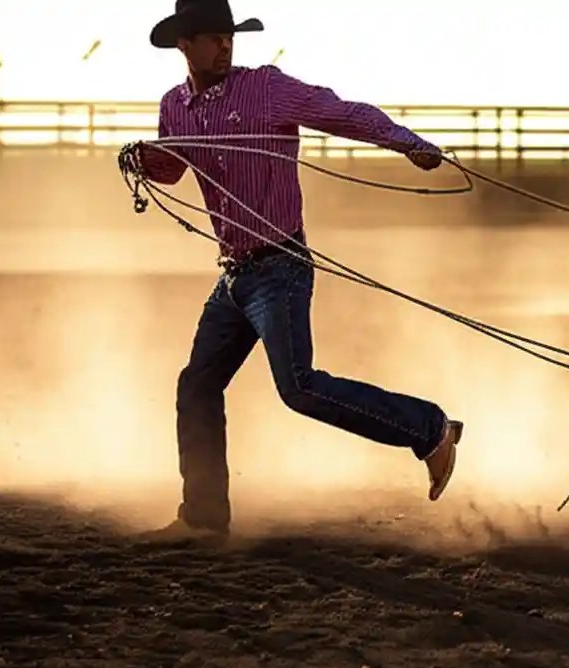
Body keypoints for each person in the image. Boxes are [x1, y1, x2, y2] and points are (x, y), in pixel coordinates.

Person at [122, 0, 463, 542]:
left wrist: (407, 143)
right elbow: (172, 169)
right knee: (198, 385)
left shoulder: (266, 89)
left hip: (280, 265)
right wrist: (143, 159)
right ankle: (205, 519)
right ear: (185, 45)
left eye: (228, 36)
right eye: (213, 38)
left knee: (299, 387)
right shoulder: (175, 107)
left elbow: (343, 112)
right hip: (234, 275)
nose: (225, 45)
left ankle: (428, 428)